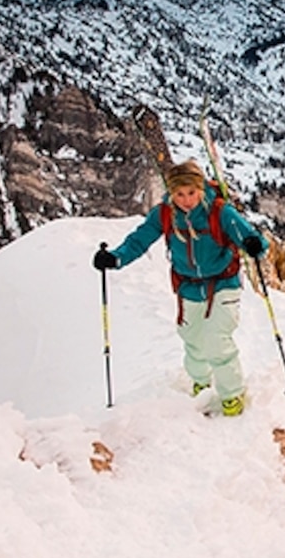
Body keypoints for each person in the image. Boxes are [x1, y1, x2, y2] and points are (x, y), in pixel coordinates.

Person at [93, 160, 268, 416]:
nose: (186, 200)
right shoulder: (165, 214)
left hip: (223, 282)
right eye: (179, 194)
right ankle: (201, 383)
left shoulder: (220, 212)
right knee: (193, 339)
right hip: (188, 286)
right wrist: (115, 258)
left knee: (217, 340)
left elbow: (253, 239)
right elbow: (139, 240)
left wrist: (254, 245)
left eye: (191, 193)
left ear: (200, 189)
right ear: (171, 193)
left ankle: (232, 395)